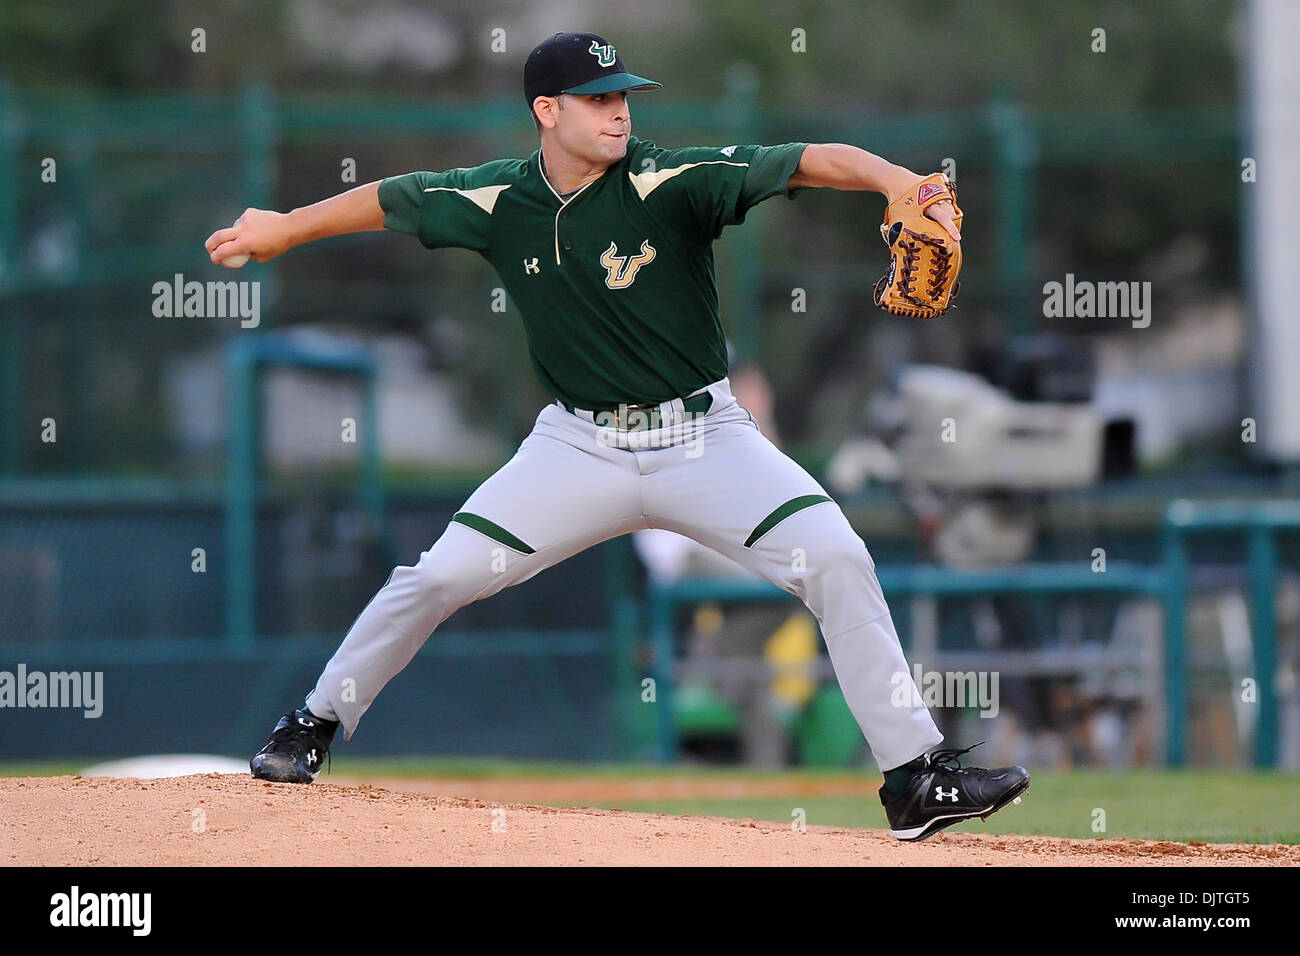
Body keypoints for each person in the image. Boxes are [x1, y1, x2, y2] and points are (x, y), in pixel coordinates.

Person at [205, 31, 1028, 841]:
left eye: (624, 96)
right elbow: (393, 197)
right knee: (438, 577)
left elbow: (803, 158)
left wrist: (895, 179)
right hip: (577, 448)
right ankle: (311, 726)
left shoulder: (672, 180)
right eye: (598, 99)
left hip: (706, 439)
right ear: (546, 110)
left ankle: (915, 778)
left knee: (840, 559)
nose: (618, 112)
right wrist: (285, 226)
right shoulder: (499, 201)